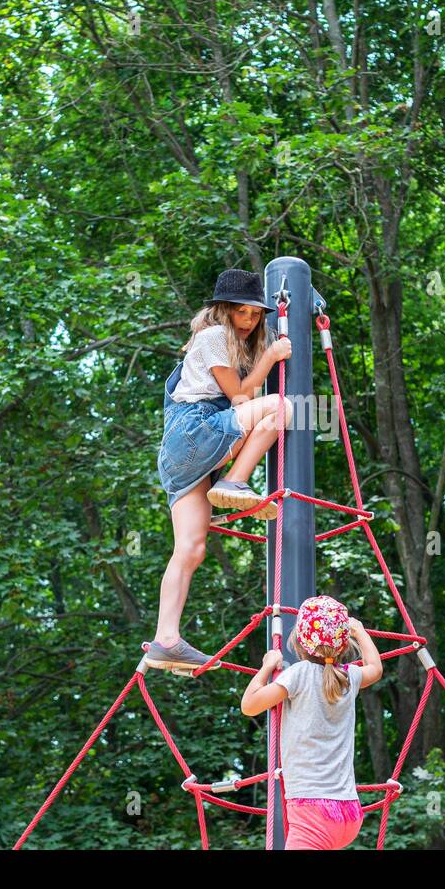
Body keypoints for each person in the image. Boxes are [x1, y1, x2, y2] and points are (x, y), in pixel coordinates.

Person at [146, 269, 294, 672]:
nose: (248, 321)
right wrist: (271, 356)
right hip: (192, 432)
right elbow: (242, 396)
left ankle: (166, 639)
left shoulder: (230, 345)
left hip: (183, 457)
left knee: (191, 549)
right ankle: (234, 481)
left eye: (254, 314)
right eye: (240, 312)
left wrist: (261, 359)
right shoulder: (212, 338)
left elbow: (241, 401)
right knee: (282, 408)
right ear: (222, 310)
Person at [240, 595, 383, 849]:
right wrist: (360, 631)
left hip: (312, 812)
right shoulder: (348, 677)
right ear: (343, 644)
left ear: (298, 642)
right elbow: (376, 668)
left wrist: (266, 666)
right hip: (348, 811)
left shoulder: (298, 674)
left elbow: (249, 705)